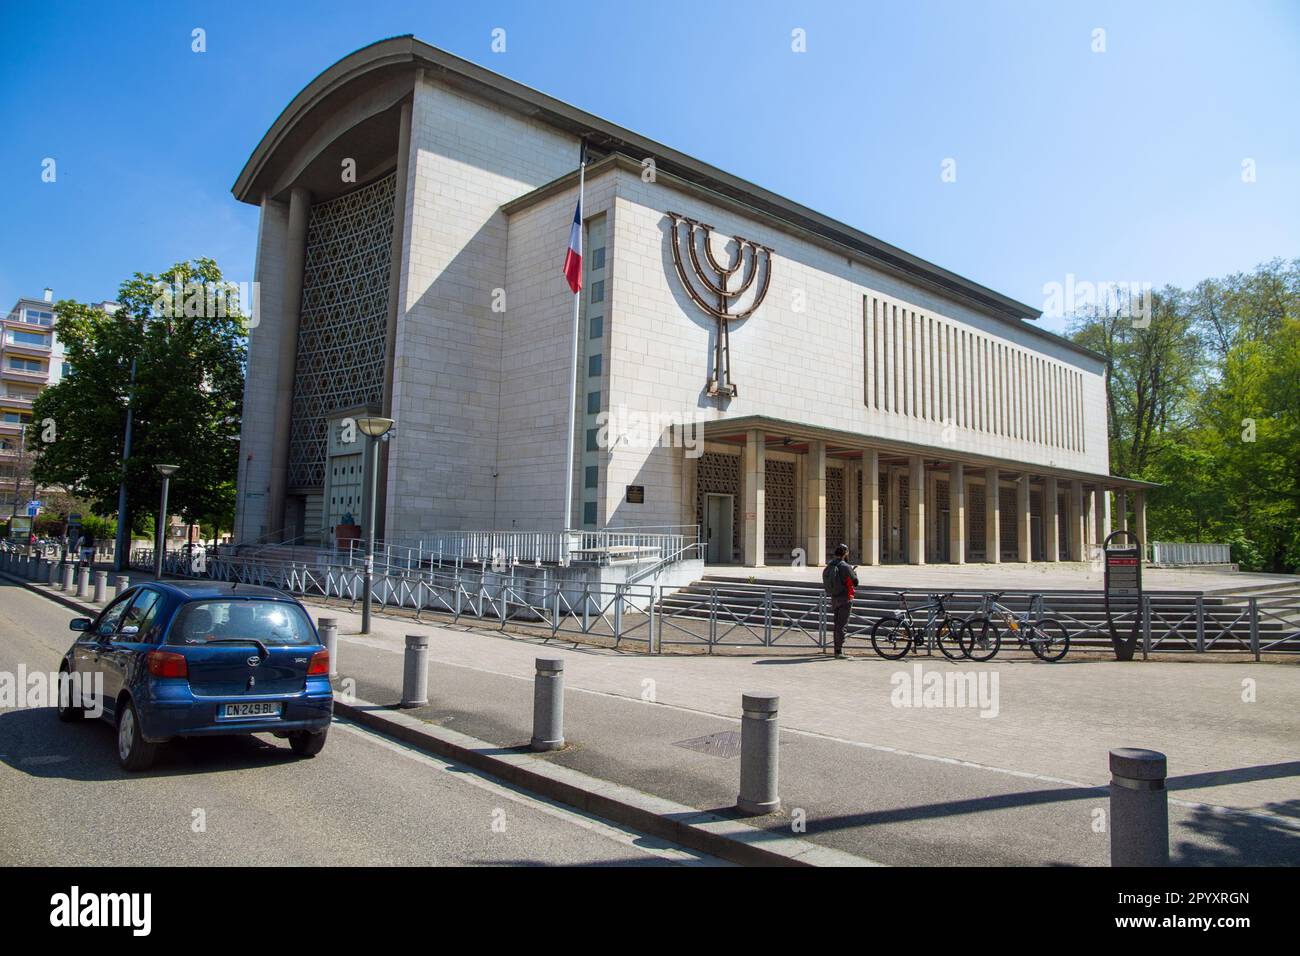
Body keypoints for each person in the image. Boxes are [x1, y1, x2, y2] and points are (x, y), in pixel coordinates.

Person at [822, 543, 859, 658]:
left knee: (837, 624)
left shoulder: (830, 565)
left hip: (834, 598)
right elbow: (856, 582)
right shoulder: (844, 566)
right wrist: (853, 571)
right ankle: (838, 651)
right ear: (845, 554)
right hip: (845, 598)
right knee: (842, 625)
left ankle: (836, 649)